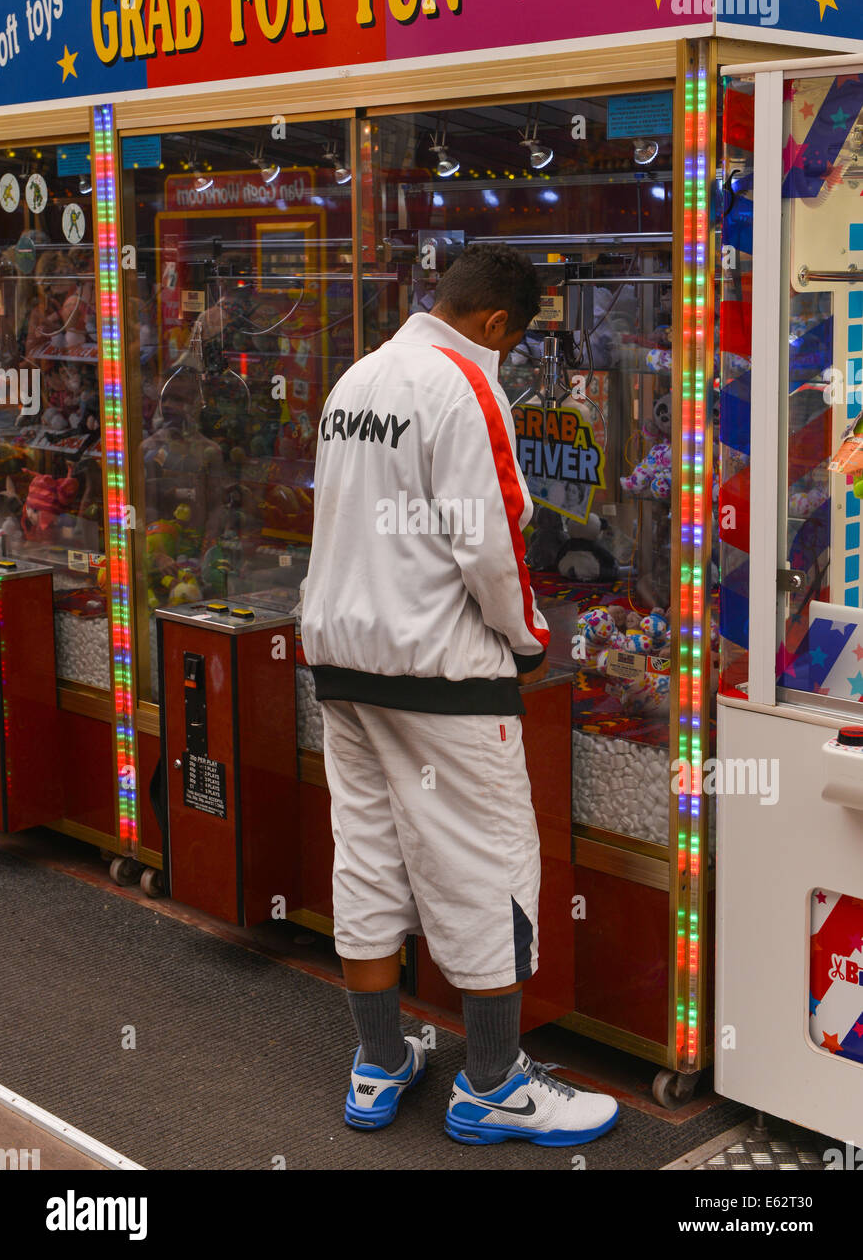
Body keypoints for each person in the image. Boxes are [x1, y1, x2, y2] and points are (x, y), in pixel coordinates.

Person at [301, 243, 618, 1147]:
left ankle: (378, 1062)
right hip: (440, 676)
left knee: (365, 857)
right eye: (512, 342)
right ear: (490, 323)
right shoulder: (463, 387)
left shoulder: (357, 378)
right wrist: (527, 643)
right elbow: (491, 547)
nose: (508, 358)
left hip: (343, 666)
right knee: (486, 871)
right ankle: (490, 1087)